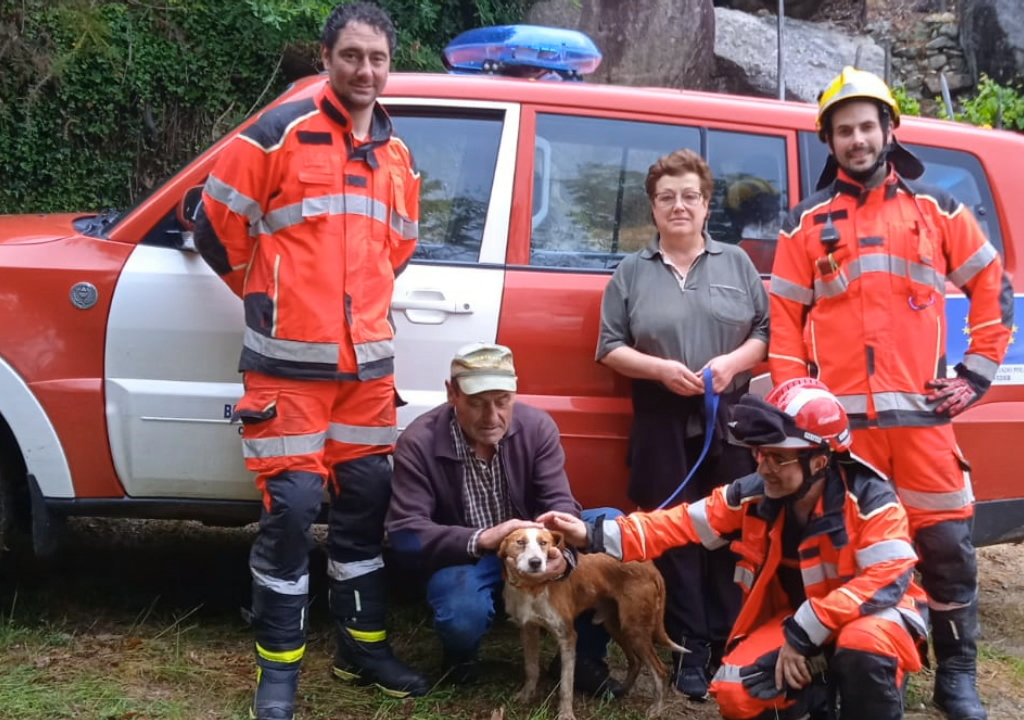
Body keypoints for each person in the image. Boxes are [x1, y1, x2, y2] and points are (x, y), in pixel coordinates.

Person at [193, 4, 428, 718]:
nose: (365, 70)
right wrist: (266, 297)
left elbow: (399, 247)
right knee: (292, 513)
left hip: (367, 376)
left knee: (363, 510)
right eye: (352, 55)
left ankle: (362, 650)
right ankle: (280, 673)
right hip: (286, 372)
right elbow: (214, 228)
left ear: (390, 66)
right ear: (326, 57)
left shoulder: (397, 157)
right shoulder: (275, 134)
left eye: (378, 59)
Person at [767, 67, 1014, 720]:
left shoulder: (937, 212)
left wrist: (975, 374)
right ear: (829, 140)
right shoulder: (805, 226)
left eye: (866, 126)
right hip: (844, 438)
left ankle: (957, 677)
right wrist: (798, 405)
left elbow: (993, 286)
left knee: (947, 552)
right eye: (843, 130)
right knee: (850, 559)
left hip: (924, 426)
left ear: (889, 128)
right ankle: (869, 670)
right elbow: (784, 325)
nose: (857, 139)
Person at [541, 378, 927, 720]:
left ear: (820, 461)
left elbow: (883, 582)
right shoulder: (755, 493)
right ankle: (820, 691)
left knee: (862, 647)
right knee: (735, 691)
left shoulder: (873, 501)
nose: (764, 468)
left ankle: (857, 687)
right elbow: (677, 524)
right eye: (761, 454)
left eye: (778, 457)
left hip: (870, 620)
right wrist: (590, 534)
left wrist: (803, 634)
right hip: (800, 625)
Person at [595, 148, 770, 699]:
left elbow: (764, 332)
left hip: (730, 417)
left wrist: (731, 363)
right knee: (673, 533)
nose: (678, 205)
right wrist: (659, 371)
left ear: (706, 203)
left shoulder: (737, 262)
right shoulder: (630, 272)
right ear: (653, 206)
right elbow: (609, 347)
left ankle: (730, 642)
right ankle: (690, 649)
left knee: (732, 528)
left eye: (689, 196)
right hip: (660, 416)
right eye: (666, 196)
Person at [385, 342, 625, 698]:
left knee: (612, 524)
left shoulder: (537, 426)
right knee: (461, 612)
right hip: (469, 556)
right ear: (452, 393)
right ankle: (461, 657)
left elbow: (560, 501)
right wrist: (482, 538)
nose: (492, 417)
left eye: (502, 401)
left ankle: (585, 657)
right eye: (477, 402)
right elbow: (404, 532)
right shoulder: (419, 441)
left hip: (535, 545)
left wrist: (563, 558)